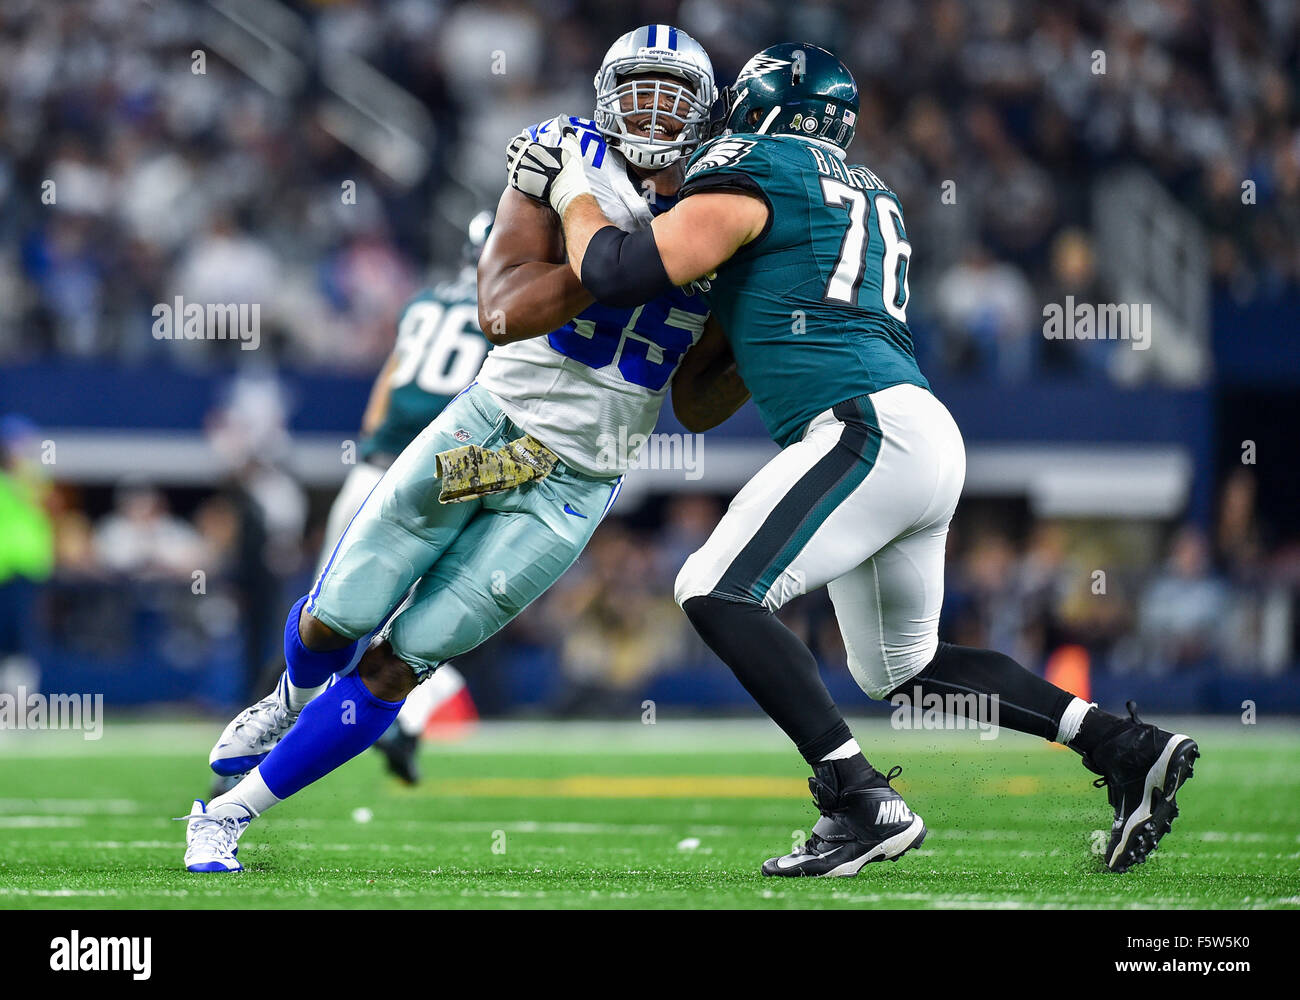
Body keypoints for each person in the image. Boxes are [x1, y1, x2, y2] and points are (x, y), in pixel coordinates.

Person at [507, 42, 1198, 877]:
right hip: (917, 431)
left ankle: (858, 797)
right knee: (905, 668)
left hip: (861, 426)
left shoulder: (748, 164)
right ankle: (1124, 746)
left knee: (714, 589)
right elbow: (703, 395)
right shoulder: (866, 190)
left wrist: (571, 187)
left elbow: (614, 272)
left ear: (749, 111)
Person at [181, 24, 744, 874]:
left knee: (406, 661)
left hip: (577, 479)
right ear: (604, 93)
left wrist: (752, 330)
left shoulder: (726, 205)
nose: (653, 110)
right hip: (494, 434)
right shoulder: (564, 159)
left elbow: (700, 402)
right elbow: (502, 311)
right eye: (638, 87)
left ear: (705, 111)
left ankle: (225, 816)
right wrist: (619, 258)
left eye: (672, 93)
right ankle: (289, 695)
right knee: (344, 610)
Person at [206, 214, 496, 789]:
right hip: (446, 471)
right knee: (410, 630)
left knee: (323, 622)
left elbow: (386, 388)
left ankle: (266, 741)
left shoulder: (424, 302)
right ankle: (392, 729)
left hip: (377, 464)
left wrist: (371, 450)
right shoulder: (513, 313)